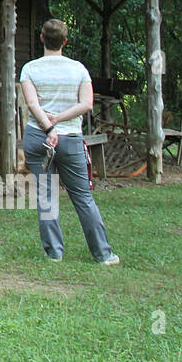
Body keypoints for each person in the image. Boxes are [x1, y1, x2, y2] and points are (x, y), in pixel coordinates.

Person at [19, 19, 120, 265]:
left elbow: (32, 104)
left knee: (46, 196)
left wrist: (48, 124)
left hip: (37, 136)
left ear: (41, 38)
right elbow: (86, 104)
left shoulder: (30, 69)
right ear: (65, 42)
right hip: (70, 138)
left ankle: (54, 253)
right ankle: (103, 254)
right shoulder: (79, 70)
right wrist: (59, 120)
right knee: (83, 197)